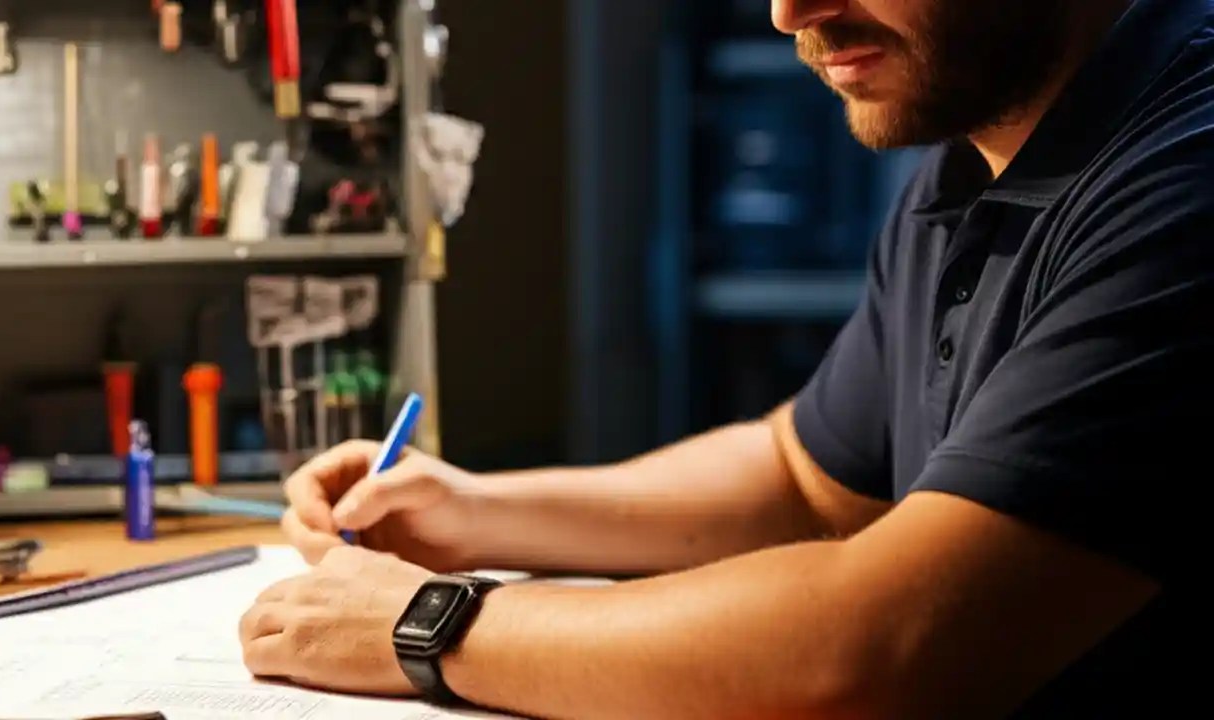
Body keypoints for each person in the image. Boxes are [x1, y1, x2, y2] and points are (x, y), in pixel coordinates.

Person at [239, 0, 1210, 716]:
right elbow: (804, 475)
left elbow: (882, 644)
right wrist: (477, 513)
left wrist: (436, 624)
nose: (791, 11)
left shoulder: (1184, 174)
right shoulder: (965, 170)